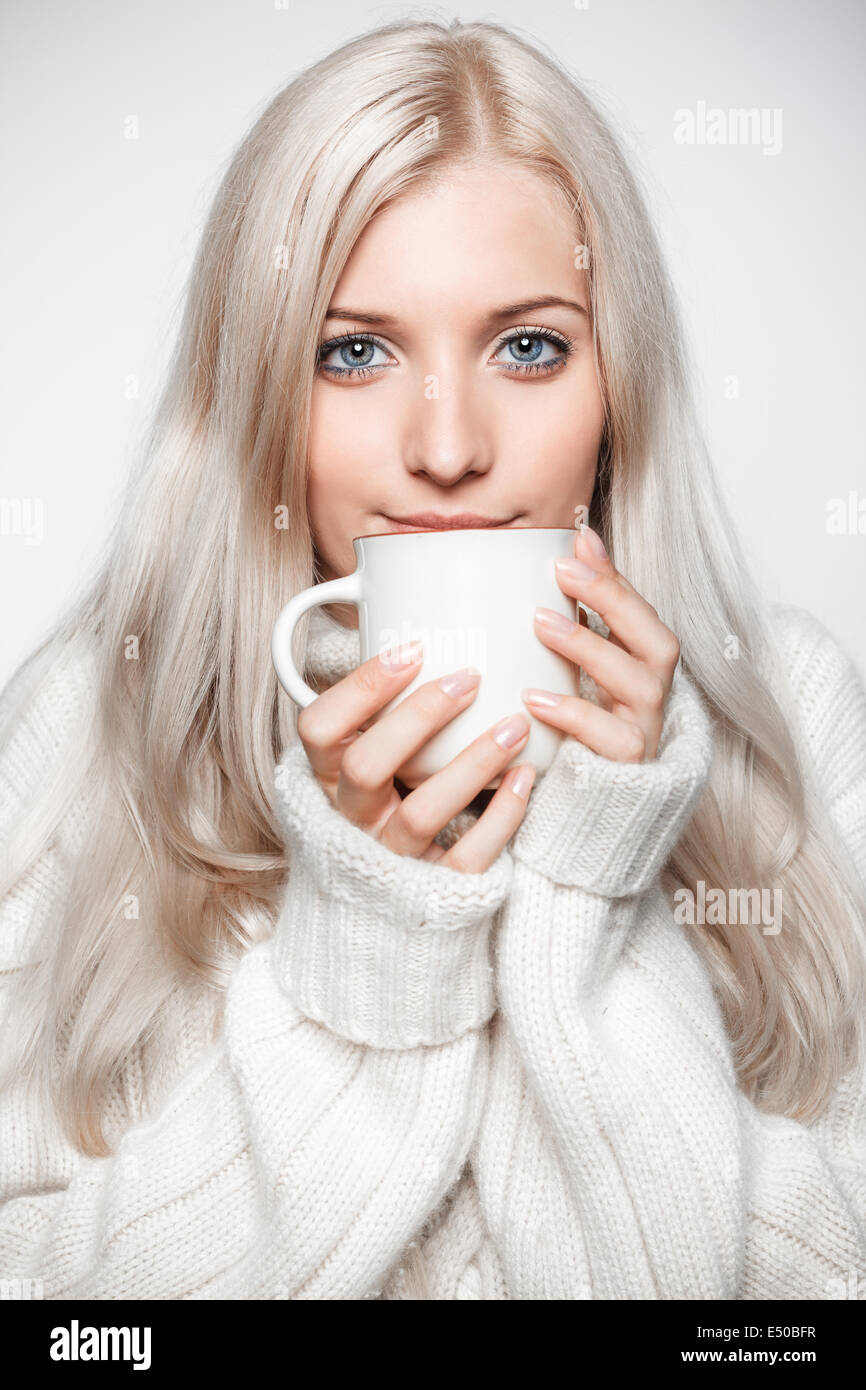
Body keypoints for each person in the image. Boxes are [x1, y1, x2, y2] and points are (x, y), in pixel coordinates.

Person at [1, 16, 864, 1302]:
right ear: (256, 390)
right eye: (352, 352)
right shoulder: (92, 725)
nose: (448, 447)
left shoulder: (789, 713)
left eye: (528, 346)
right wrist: (370, 955)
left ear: (618, 387)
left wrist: (589, 886)